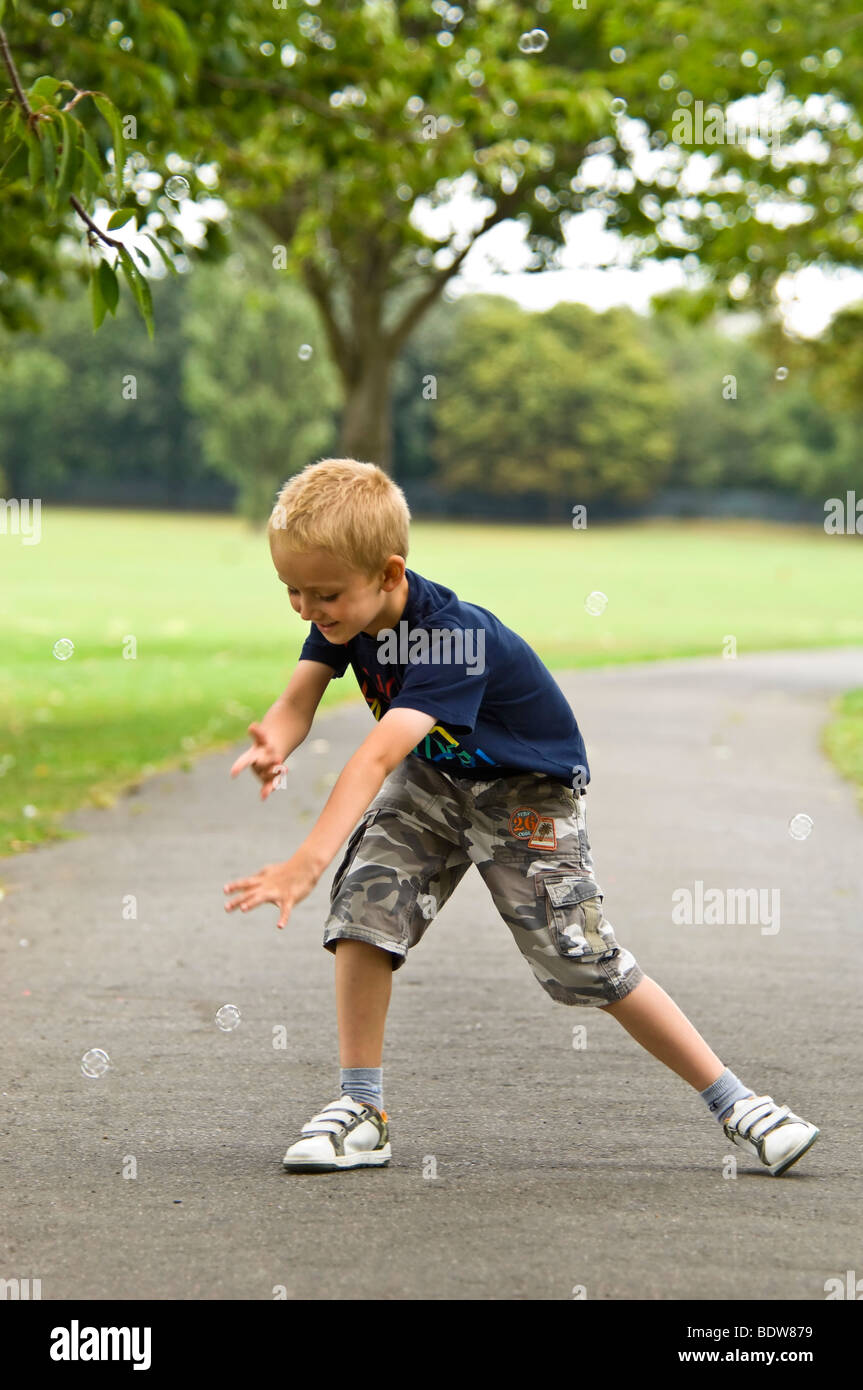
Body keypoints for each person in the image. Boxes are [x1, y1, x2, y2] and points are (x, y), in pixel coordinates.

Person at [224, 458, 819, 1178]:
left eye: (321, 594)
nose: (307, 609)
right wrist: (275, 742)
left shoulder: (451, 637)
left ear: (388, 574)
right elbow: (299, 700)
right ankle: (360, 1111)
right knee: (364, 909)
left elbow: (377, 755)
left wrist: (305, 861)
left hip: (525, 794)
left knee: (581, 958)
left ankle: (738, 1105)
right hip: (438, 781)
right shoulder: (341, 614)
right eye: (291, 591)